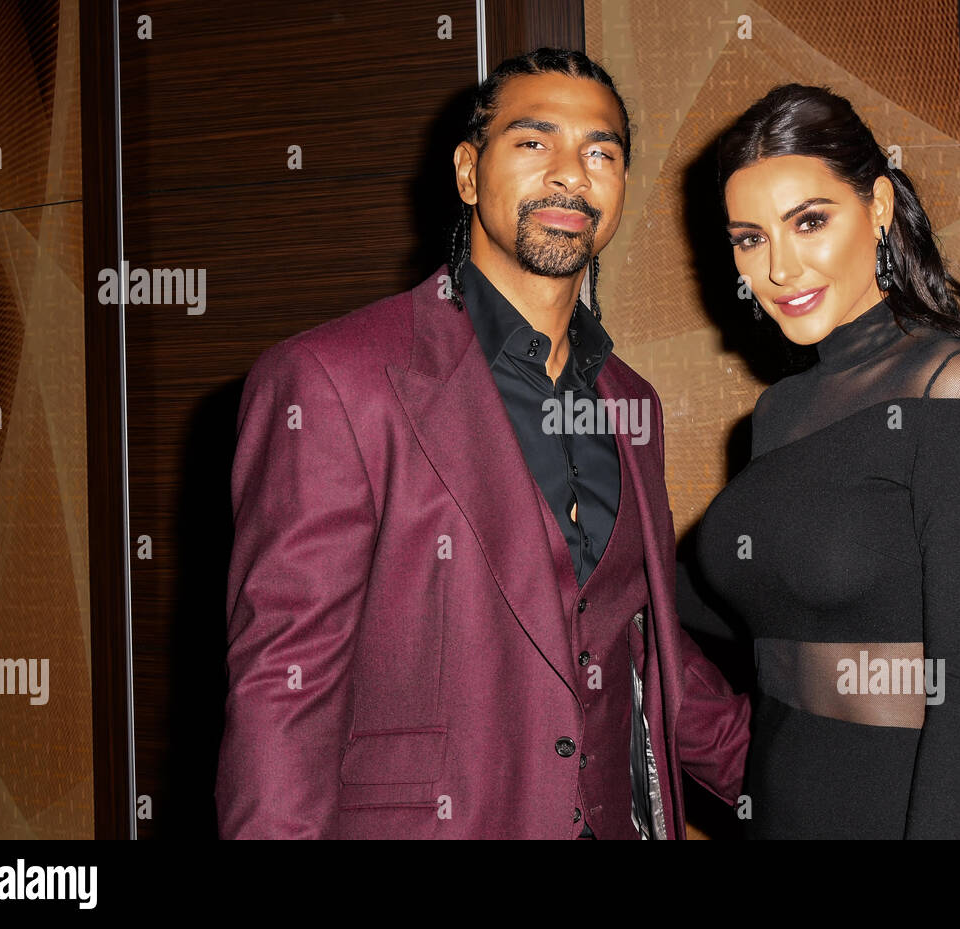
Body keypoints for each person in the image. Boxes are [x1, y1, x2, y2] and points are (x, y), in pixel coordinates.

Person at [215, 47, 750, 840]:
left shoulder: (631, 401)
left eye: (601, 152)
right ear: (468, 173)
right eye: (534, 142)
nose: (572, 174)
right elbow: (280, 699)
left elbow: (645, 643)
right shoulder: (330, 379)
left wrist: (802, 777)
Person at [687, 83, 960, 838]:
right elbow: (728, 598)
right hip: (775, 804)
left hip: (895, 812)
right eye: (750, 238)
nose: (779, 268)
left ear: (876, 206)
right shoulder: (774, 413)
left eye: (809, 222)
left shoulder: (949, 382)